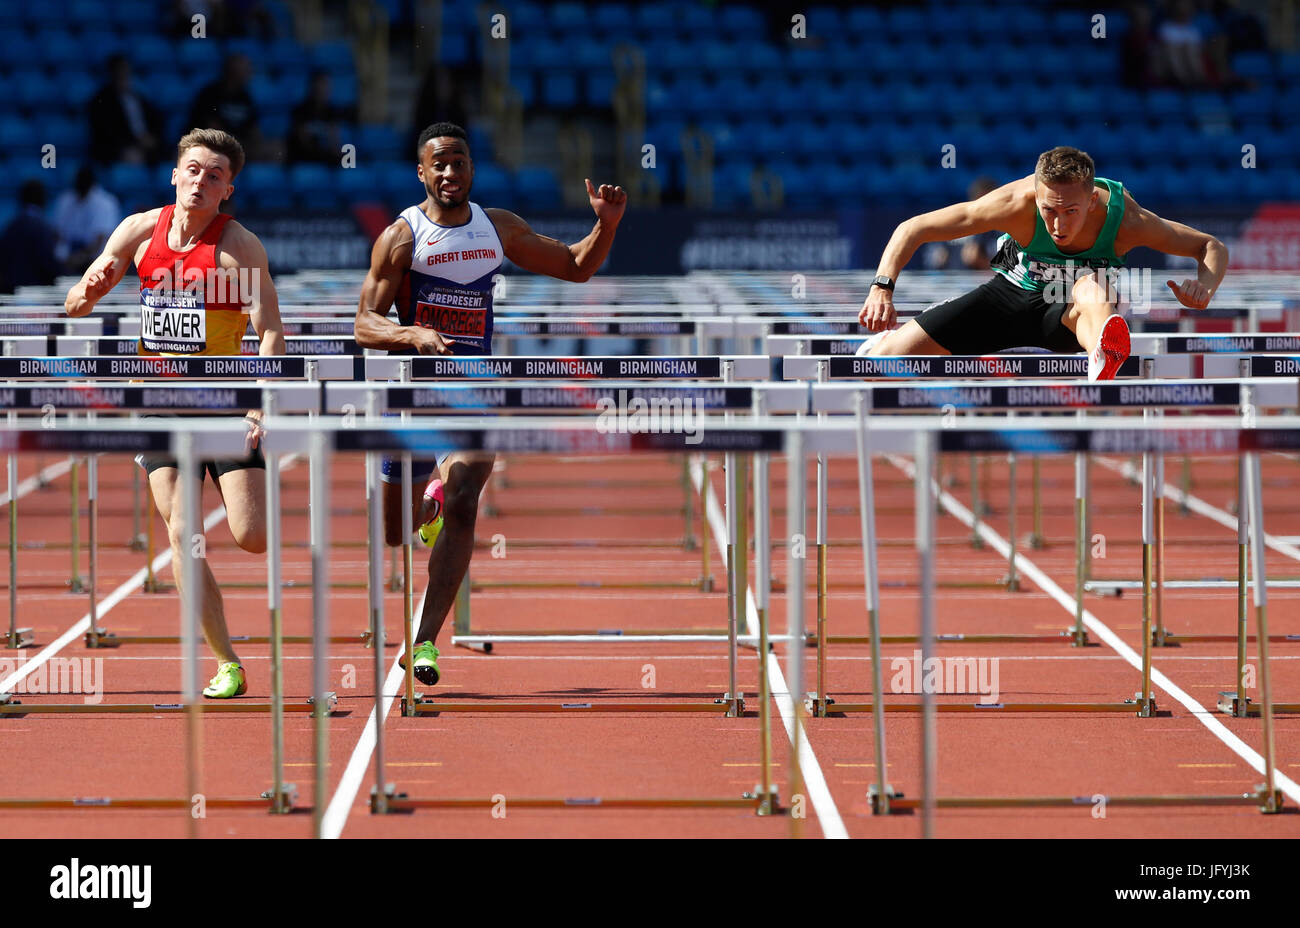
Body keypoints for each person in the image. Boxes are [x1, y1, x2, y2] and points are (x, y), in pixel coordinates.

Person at [354, 121, 626, 686]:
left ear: (471, 169)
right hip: (410, 394)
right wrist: (412, 336)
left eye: (459, 162)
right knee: (395, 530)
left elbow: (576, 266)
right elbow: (364, 324)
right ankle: (423, 508)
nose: (450, 172)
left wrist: (606, 225)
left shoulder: (496, 228)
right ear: (423, 172)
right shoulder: (401, 238)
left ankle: (424, 641)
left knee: (465, 502)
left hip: (474, 390)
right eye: (439, 163)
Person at [64, 129, 285, 698]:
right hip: (159, 404)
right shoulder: (139, 230)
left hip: (225, 406)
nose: (200, 181)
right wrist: (87, 292)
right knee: (183, 533)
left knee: (252, 535)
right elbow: (76, 304)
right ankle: (227, 663)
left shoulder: (239, 246)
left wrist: (261, 402)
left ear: (227, 190)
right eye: (192, 169)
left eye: (214, 176)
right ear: (174, 174)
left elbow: (270, 331)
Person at [858, 146, 1228, 381]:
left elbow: (1209, 246)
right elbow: (913, 228)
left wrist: (1205, 287)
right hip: (1007, 298)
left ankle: (1103, 353)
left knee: (1092, 287)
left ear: (1093, 204)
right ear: (1035, 197)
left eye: (1071, 211)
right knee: (879, 365)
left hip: (1070, 313)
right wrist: (882, 287)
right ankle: (891, 341)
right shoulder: (1014, 203)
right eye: (1048, 210)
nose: (1058, 224)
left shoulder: (1125, 219)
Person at [88, 55, 165, 166]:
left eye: (126, 73)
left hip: (147, 147)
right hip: (119, 149)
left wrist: (152, 139)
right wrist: (136, 141)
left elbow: (156, 121)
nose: (124, 76)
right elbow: (107, 133)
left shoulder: (139, 98)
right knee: (133, 158)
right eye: (120, 73)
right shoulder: (103, 101)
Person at [53, 166, 122, 274]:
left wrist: (80, 258)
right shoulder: (65, 199)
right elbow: (58, 234)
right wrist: (65, 256)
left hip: (95, 260)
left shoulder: (106, 203)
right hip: (68, 256)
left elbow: (100, 239)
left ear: (91, 184)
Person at [0, 180, 61, 293]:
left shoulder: (10, 226)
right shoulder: (44, 228)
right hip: (37, 294)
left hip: (11, 292)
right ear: (43, 200)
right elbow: (49, 265)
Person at [287, 70, 353, 164]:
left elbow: (334, 141)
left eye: (326, 85)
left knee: (350, 159)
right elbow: (303, 141)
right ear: (312, 87)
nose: (322, 89)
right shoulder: (300, 111)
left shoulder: (332, 112)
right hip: (304, 156)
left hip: (325, 155)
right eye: (320, 85)